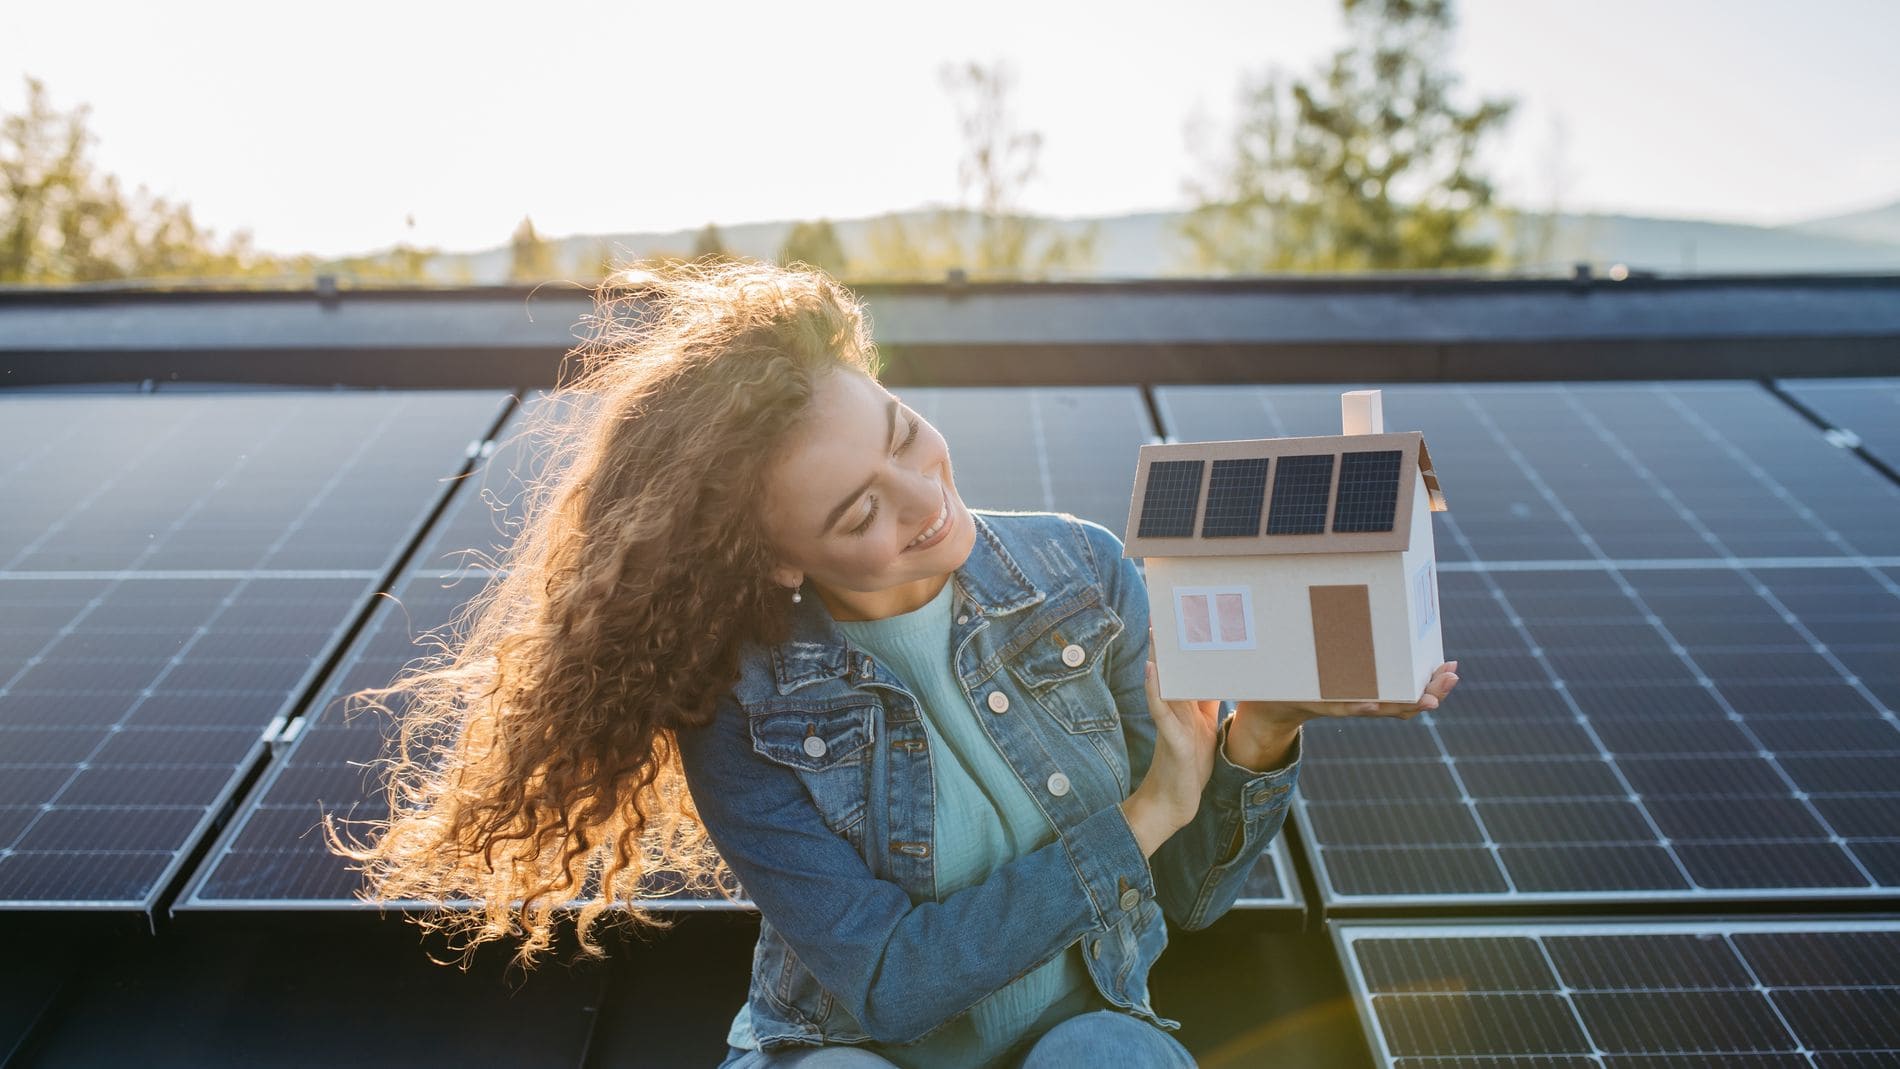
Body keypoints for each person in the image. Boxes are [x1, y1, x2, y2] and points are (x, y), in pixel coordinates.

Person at [324, 259, 1460, 1069]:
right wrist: (1148, 805)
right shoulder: (739, 701)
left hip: (1081, 1032)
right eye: (860, 507)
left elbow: (1186, 899)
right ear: (771, 558)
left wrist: (1261, 734)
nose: (927, 503)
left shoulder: (1084, 574)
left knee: (1107, 1054)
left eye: (904, 430)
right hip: (847, 1045)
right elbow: (891, 983)